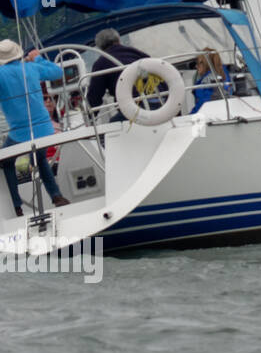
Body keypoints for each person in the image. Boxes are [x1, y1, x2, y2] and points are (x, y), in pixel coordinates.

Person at [0, 38, 71, 215]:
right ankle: (56, 196)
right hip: (45, 129)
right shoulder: (31, 67)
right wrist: (38, 58)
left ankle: (16, 205)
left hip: (19, 133)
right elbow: (57, 72)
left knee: (6, 161)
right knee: (39, 159)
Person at [85, 28, 150, 117]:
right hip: (162, 103)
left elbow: (95, 95)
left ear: (100, 47)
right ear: (118, 40)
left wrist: (90, 116)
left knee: (111, 126)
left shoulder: (101, 63)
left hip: (133, 109)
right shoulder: (137, 53)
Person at [190, 49, 233, 114]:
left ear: (205, 64)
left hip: (208, 115)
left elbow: (202, 104)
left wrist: (190, 115)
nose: (196, 66)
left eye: (198, 63)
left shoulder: (207, 81)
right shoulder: (224, 75)